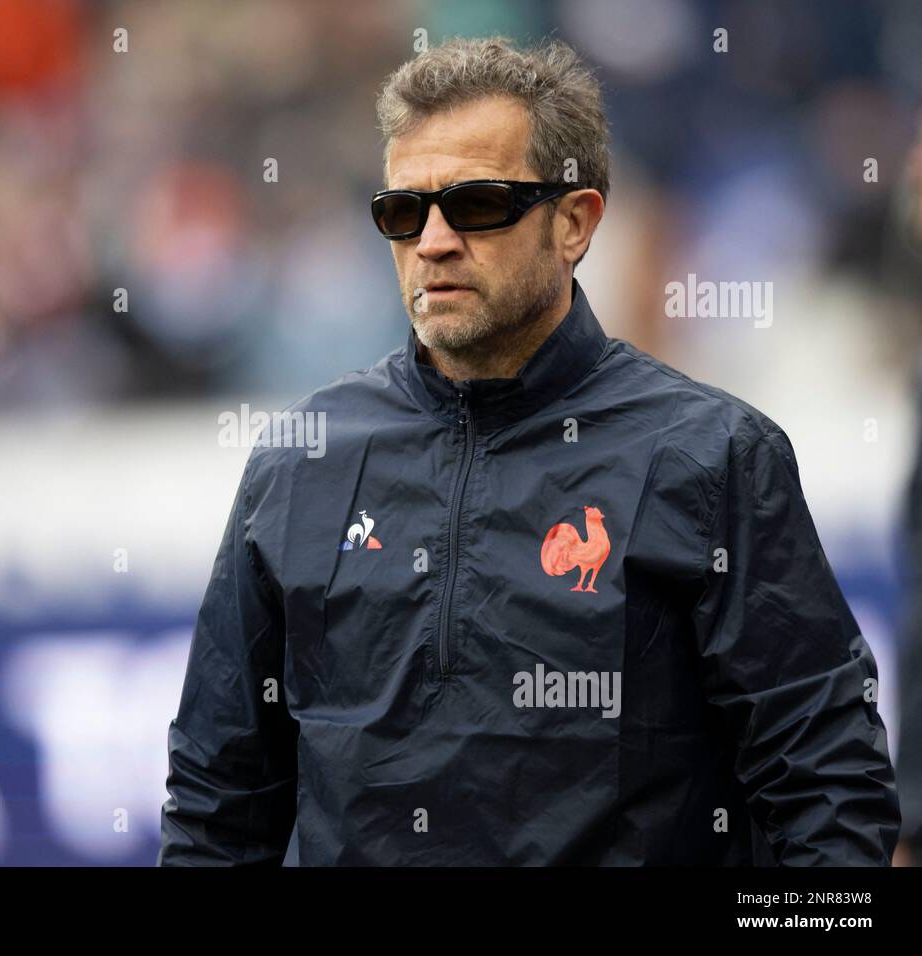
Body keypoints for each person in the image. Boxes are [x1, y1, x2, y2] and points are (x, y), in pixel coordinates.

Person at [157, 36, 900, 865]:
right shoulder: (302, 462)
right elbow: (216, 805)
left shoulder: (713, 456)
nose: (432, 241)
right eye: (403, 212)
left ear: (575, 222)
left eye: (476, 204)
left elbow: (827, 793)